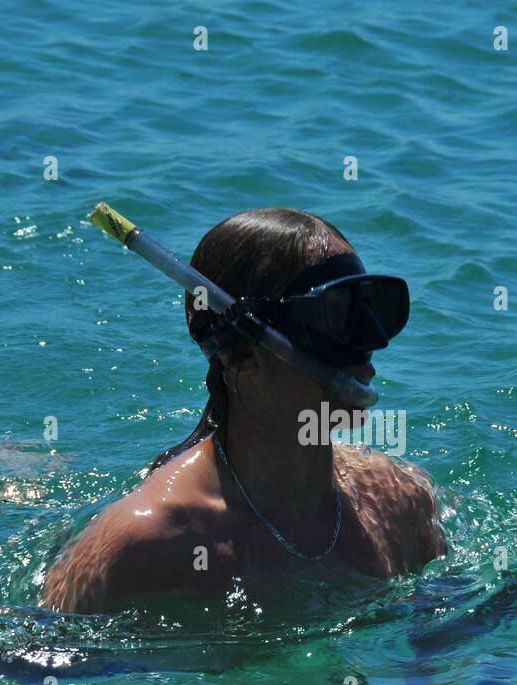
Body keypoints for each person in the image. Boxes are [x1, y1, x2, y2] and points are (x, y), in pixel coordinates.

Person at [39, 207, 447, 614]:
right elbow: (21, 662)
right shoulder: (145, 543)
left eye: (372, 308)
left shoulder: (401, 504)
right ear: (240, 354)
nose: (373, 340)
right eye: (336, 314)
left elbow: (450, 648)